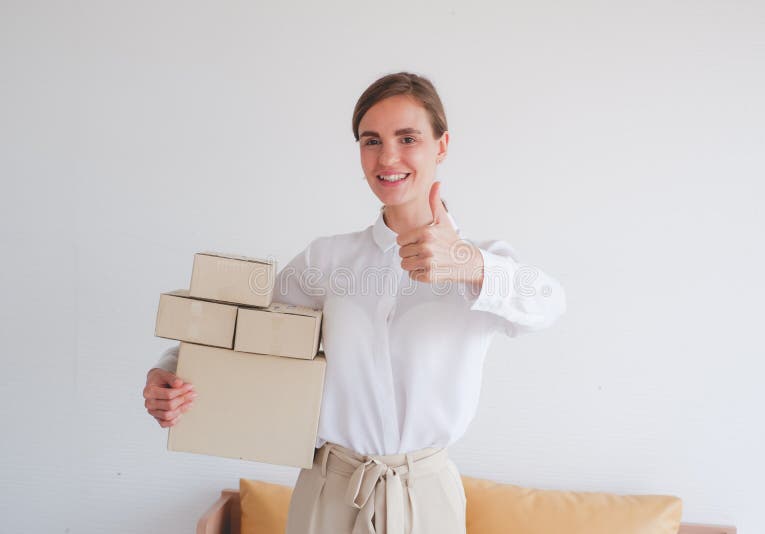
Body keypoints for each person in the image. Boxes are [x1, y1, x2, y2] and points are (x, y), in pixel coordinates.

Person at [143, 72, 567, 534]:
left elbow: (550, 304)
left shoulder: (486, 261)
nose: (387, 157)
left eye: (408, 138)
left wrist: (467, 261)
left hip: (427, 497)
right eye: (372, 141)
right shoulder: (327, 259)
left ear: (442, 145)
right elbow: (249, 334)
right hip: (329, 491)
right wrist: (170, 371)